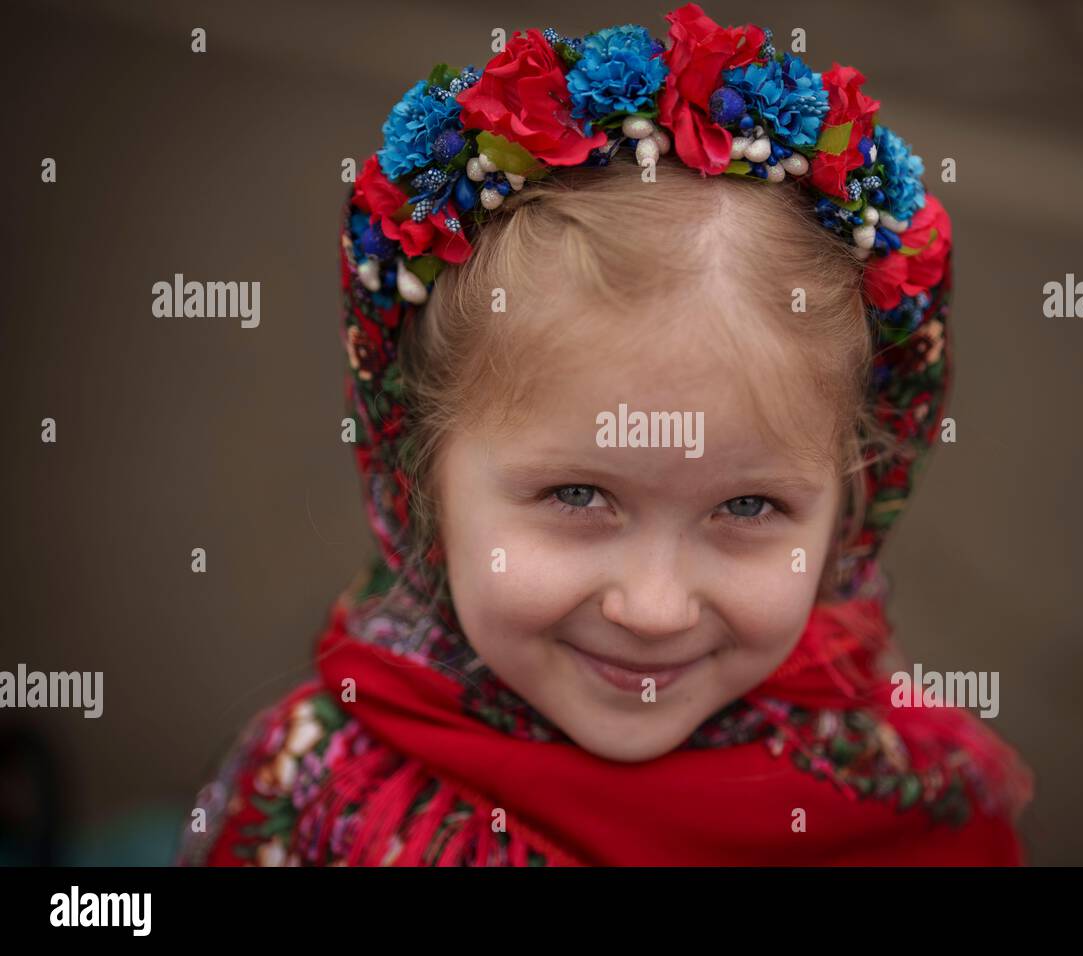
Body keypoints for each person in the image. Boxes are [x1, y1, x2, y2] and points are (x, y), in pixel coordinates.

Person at [179, 3, 1032, 867]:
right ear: (419, 474)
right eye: (578, 494)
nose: (655, 610)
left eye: (747, 504)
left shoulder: (918, 812)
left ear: (853, 504)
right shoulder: (317, 805)